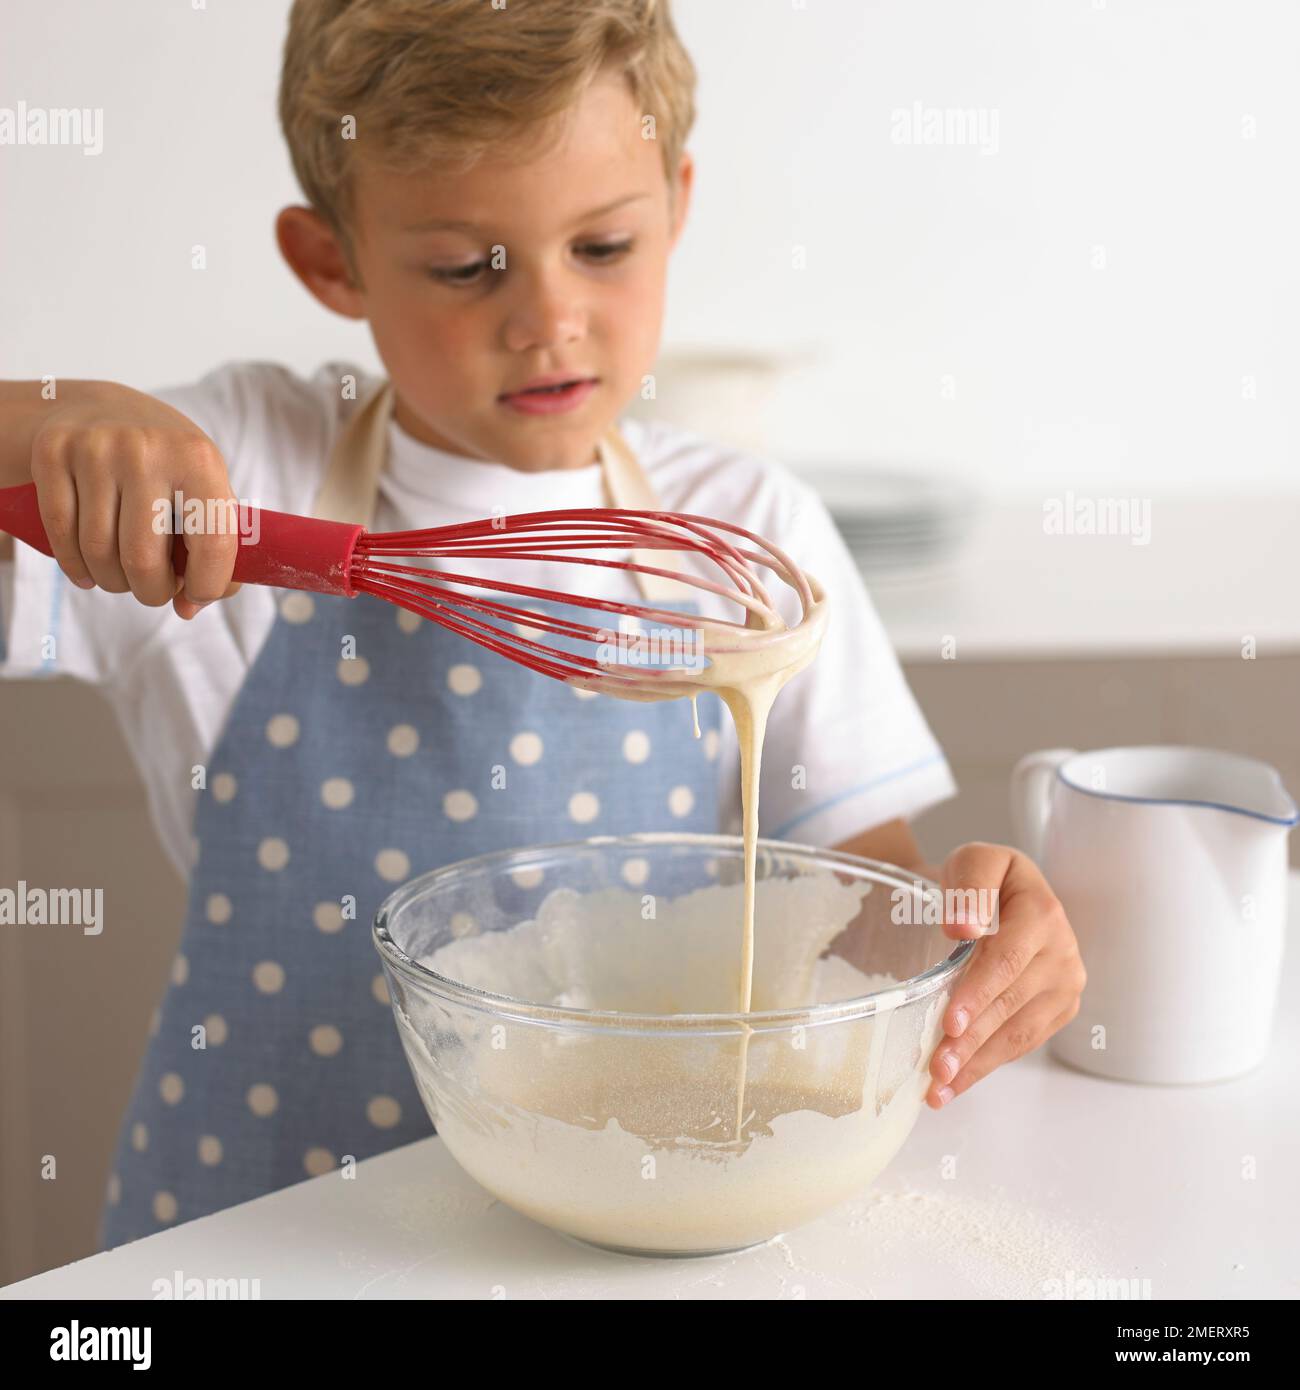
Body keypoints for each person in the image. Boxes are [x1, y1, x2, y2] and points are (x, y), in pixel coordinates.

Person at [0, 0, 1084, 1250]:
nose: (547, 316)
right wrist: (43, 421)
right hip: (251, 1244)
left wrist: (978, 926)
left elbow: (862, 919)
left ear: (676, 203)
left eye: (605, 246)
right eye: (467, 266)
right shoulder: (241, 480)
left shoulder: (745, 539)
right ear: (331, 261)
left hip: (606, 1245)